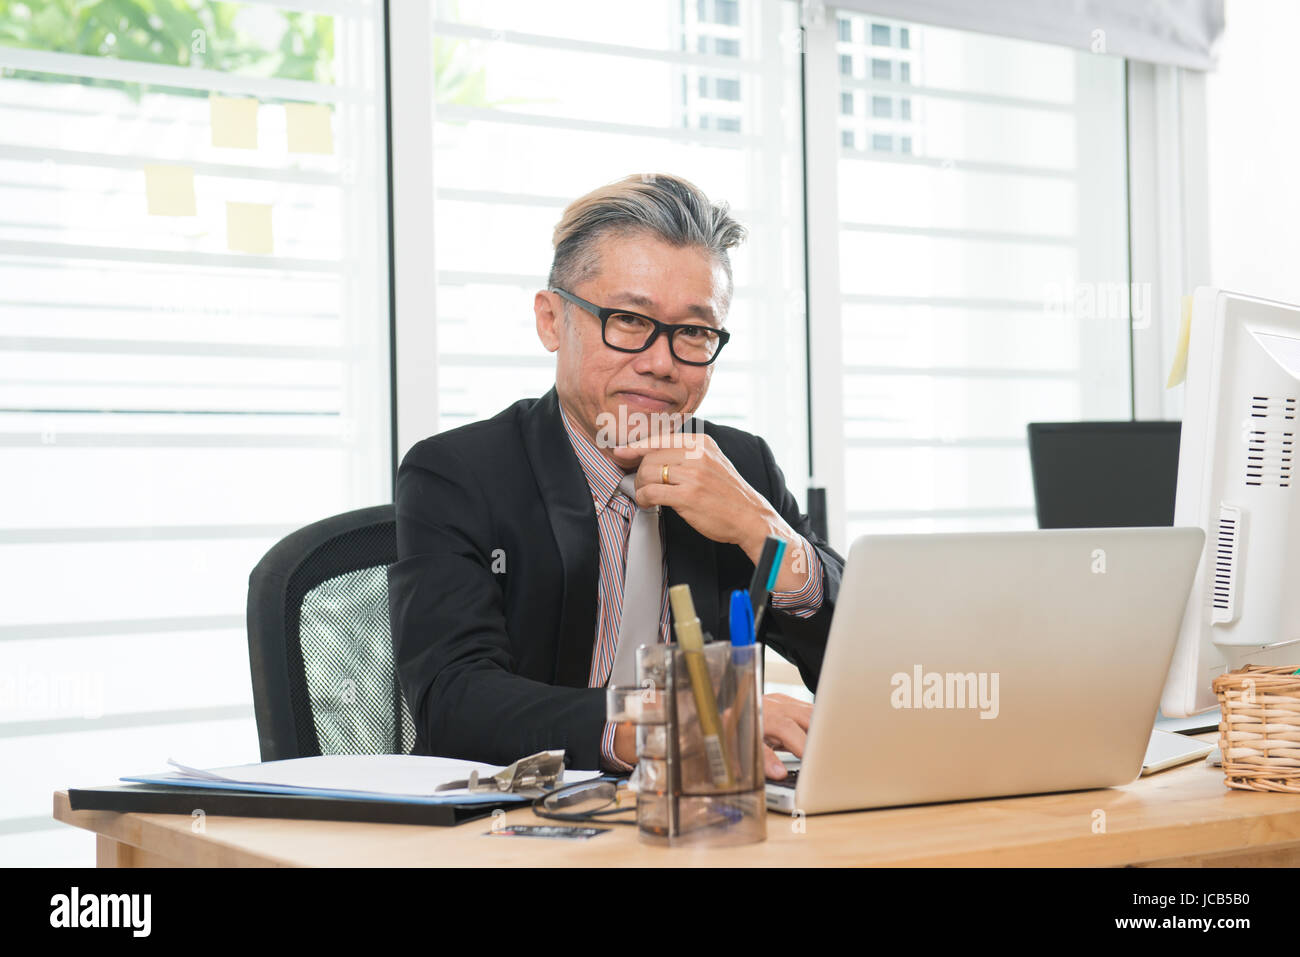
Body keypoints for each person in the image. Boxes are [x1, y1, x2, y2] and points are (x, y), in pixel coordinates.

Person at [388, 172, 844, 776]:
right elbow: (453, 701)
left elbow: (868, 676)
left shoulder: (742, 466)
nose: (661, 363)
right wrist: (669, 722)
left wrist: (765, 533)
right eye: (629, 321)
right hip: (521, 833)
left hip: (708, 828)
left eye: (693, 332)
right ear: (552, 321)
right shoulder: (460, 474)